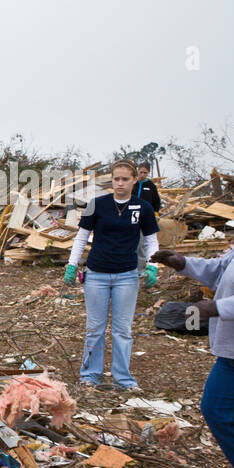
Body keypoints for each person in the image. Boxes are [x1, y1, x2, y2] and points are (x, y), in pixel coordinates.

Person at [150, 245, 234, 468]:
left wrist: (215, 308)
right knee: (217, 409)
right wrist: (181, 263)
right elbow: (219, 270)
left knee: (220, 409)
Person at [64, 159, 160, 391]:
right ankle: (90, 375)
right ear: (111, 180)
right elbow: (82, 236)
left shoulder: (143, 208)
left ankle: (123, 379)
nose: (120, 183)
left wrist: (153, 265)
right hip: (96, 274)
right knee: (95, 327)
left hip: (127, 275)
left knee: (122, 330)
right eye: (116, 179)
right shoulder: (96, 204)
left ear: (134, 180)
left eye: (125, 179)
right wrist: (71, 264)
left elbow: (151, 240)